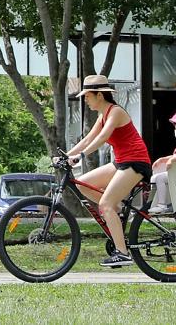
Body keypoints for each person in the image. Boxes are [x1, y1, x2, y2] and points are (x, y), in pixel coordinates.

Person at [65, 74, 151, 268]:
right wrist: (65, 155)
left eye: (88, 95)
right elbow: (87, 139)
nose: (85, 99)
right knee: (84, 184)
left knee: (105, 205)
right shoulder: (102, 115)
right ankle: (116, 209)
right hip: (121, 162)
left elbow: (103, 137)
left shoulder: (115, 112)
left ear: (100, 95)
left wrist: (81, 156)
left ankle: (123, 253)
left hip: (135, 162)